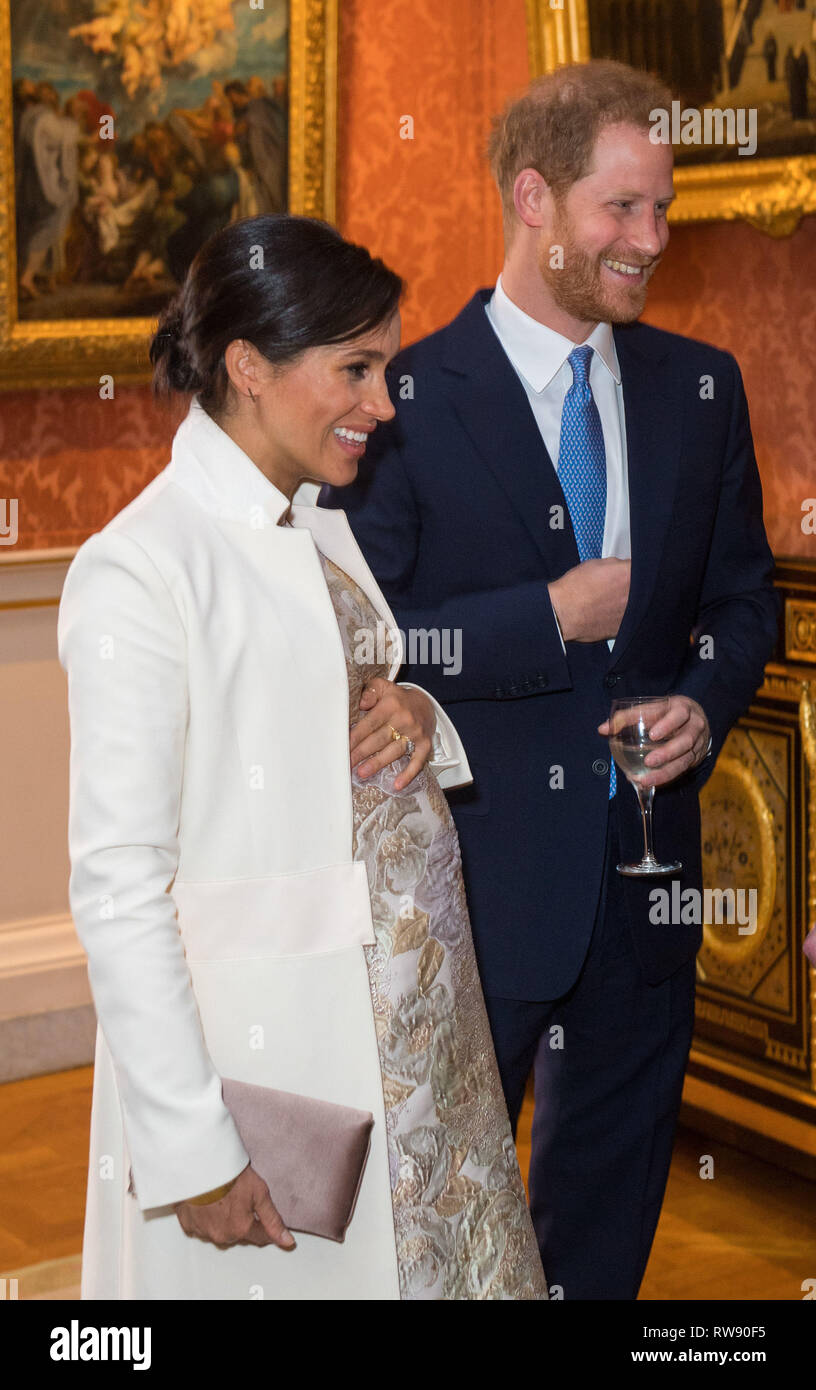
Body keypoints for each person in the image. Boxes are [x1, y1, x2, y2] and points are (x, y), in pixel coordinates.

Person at [321, 61, 779, 1300]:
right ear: (535, 197)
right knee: (443, 1229)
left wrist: (704, 696)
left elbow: (748, 602)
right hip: (472, 891)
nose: (654, 240)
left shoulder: (702, 387)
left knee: (606, 1227)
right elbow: (371, 639)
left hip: (648, 897)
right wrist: (548, 617)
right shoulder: (400, 400)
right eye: (623, 210)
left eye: (664, 210)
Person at [57, 214, 547, 1301]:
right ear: (248, 365)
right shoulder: (141, 569)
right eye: (357, 369)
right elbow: (118, 882)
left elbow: (353, 704)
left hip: (417, 1041)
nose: (384, 402)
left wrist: (419, 709)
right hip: (285, 1062)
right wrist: (194, 1145)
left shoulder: (315, 521)